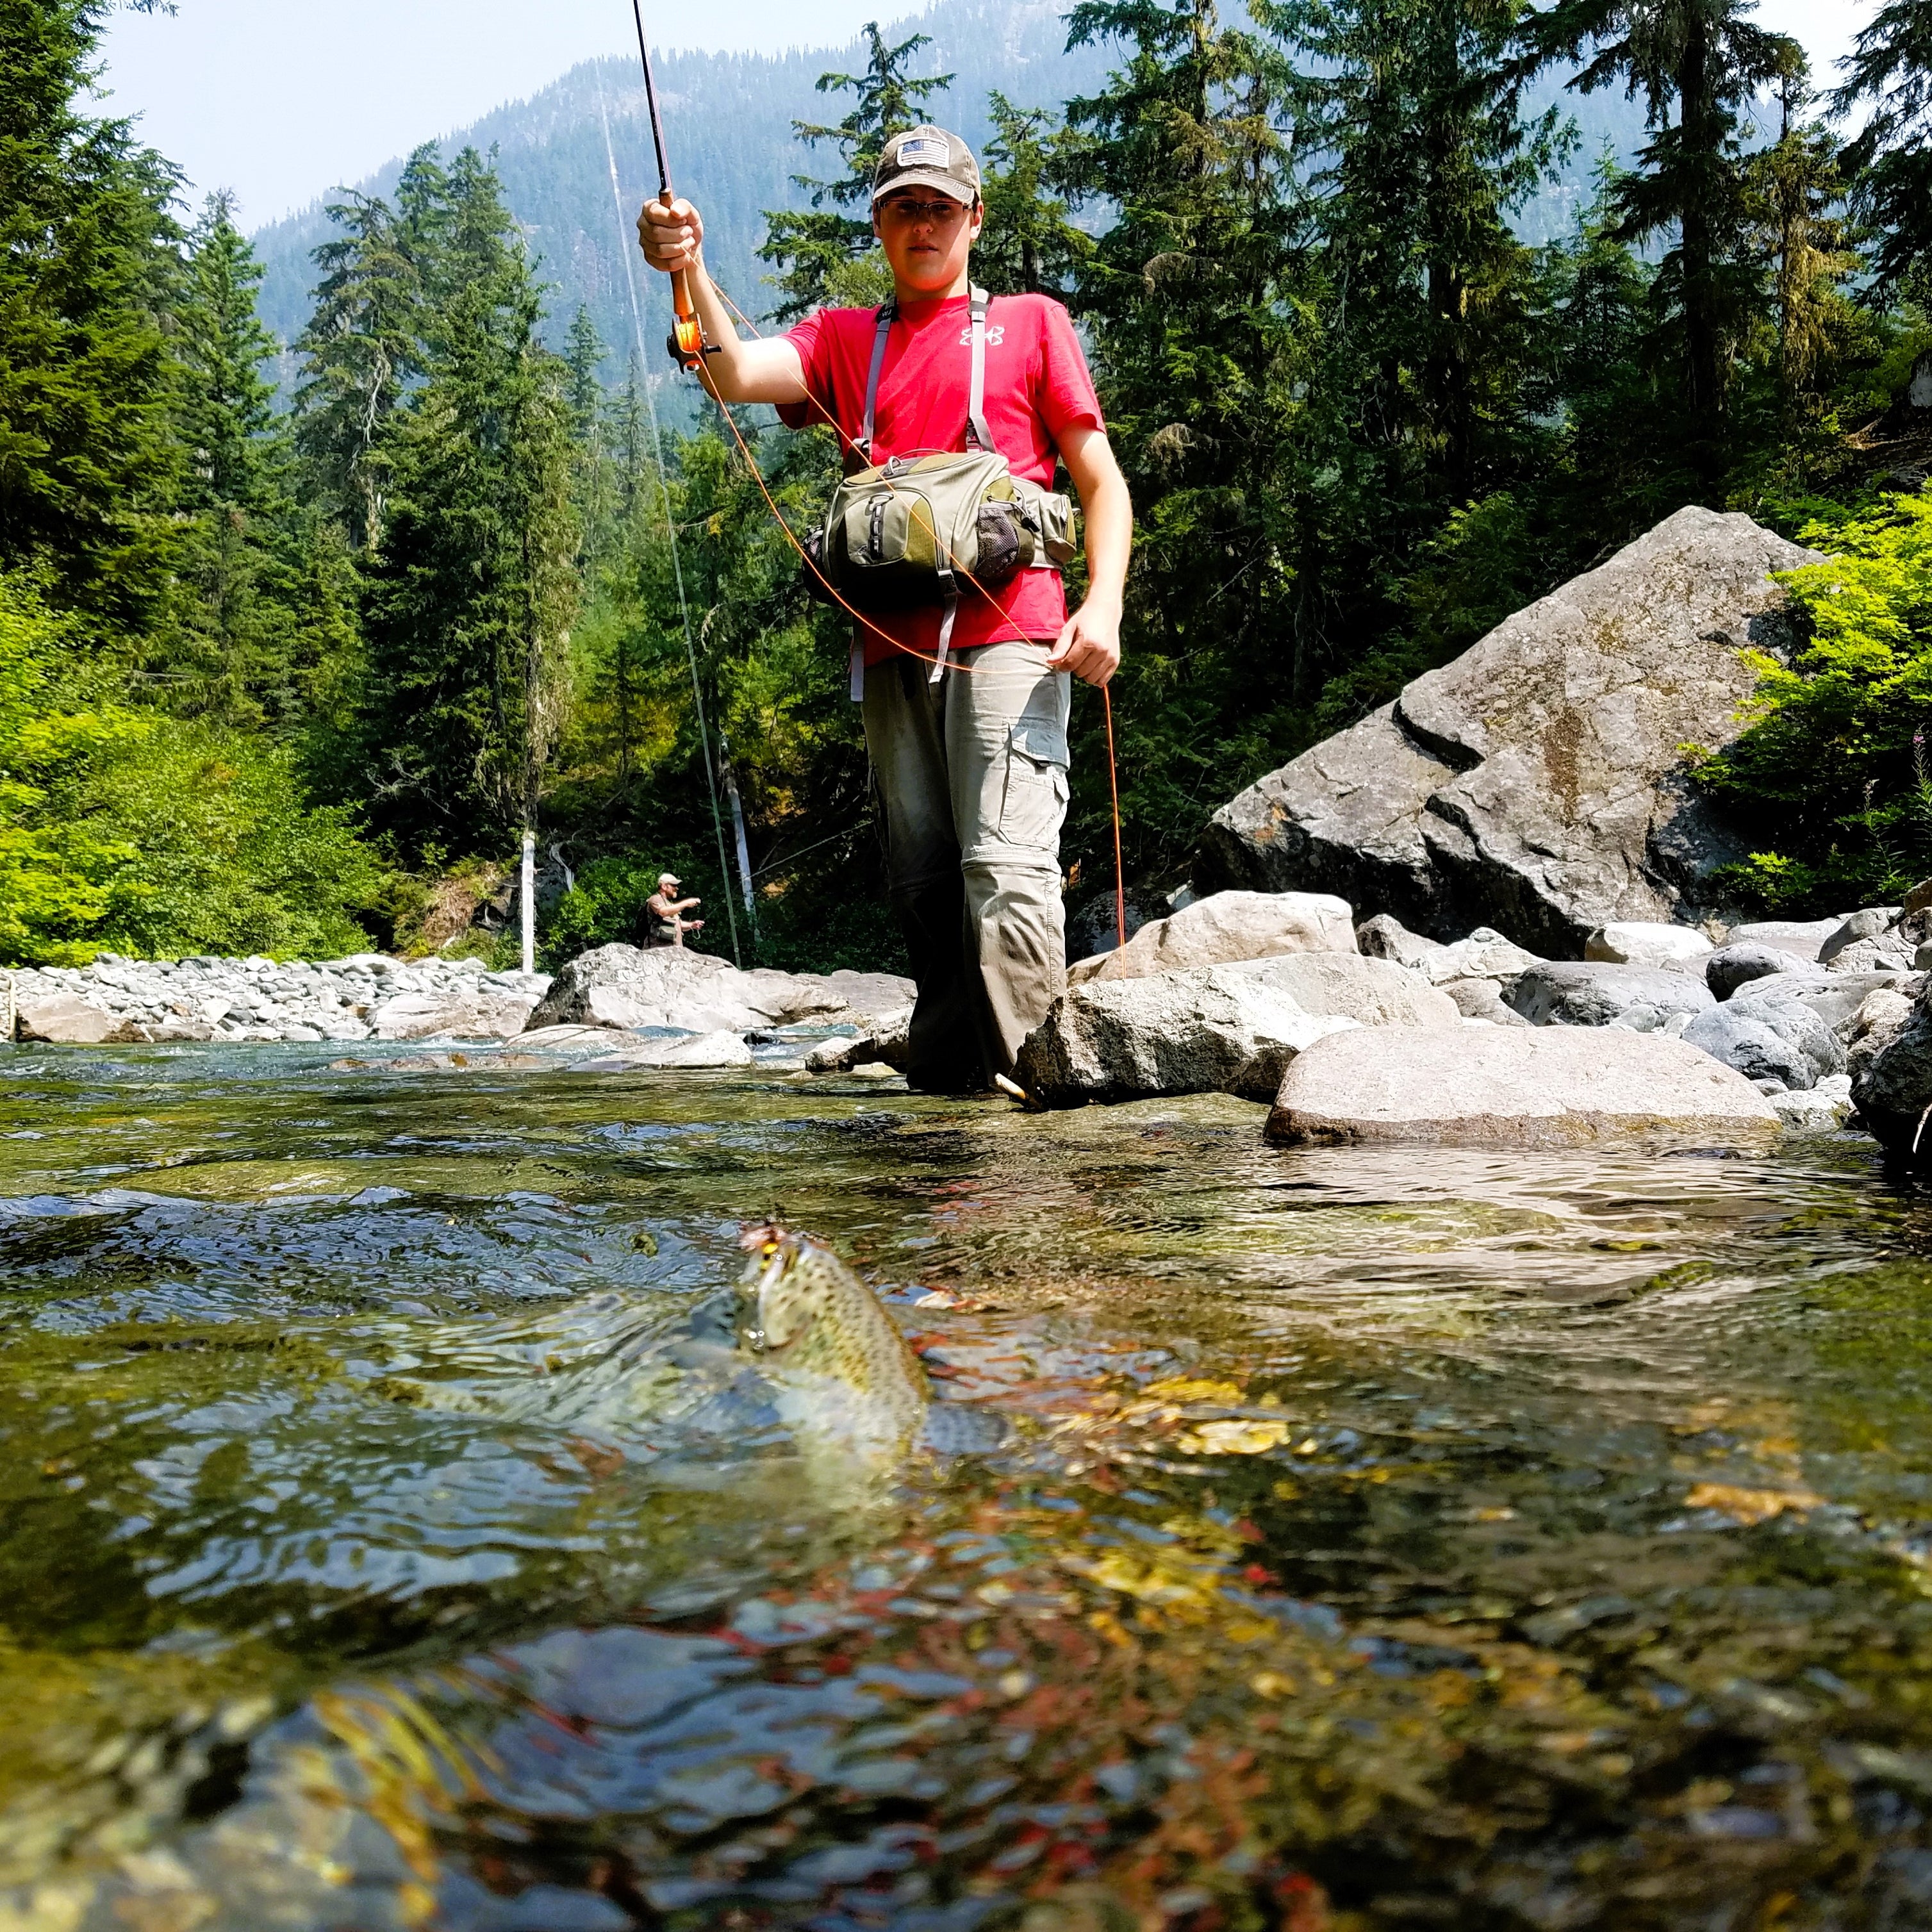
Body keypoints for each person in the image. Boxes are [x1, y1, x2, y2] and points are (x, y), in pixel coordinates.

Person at [636, 125, 1132, 1094]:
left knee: (1005, 872)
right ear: (879, 222)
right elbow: (733, 372)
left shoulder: (1032, 324)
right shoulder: (840, 340)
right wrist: (686, 267)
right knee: (925, 883)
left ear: (974, 219)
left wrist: (1104, 604)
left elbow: (1100, 480)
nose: (923, 224)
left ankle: (1036, 1101)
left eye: (941, 206)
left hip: (1015, 638)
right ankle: (947, 1111)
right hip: (891, 653)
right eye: (905, 206)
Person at [644, 873, 703, 948]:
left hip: (673, 951)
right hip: (656, 950)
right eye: (674, 885)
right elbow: (663, 912)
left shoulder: (670, 905)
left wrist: (692, 925)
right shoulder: (655, 899)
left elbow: (678, 924)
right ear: (664, 886)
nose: (677, 888)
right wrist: (686, 903)